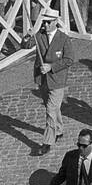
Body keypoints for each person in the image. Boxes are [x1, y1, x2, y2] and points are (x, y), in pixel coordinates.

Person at [26, 8, 74, 156]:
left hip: (57, 80)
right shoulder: (39, 35)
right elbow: (25, 46)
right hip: (42, 79)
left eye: (48, 22)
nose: (45, 25)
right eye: (44, 22)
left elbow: (69, 59)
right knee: (52, 107)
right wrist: (27, 37)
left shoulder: (64, 38)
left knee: (50, 110)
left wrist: (51, 67)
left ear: (55, 22)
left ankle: (47, 142)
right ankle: (58, 130)